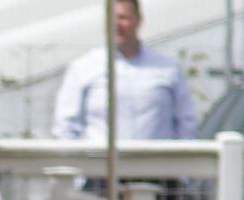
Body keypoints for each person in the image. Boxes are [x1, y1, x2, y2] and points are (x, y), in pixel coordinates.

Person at [53, 0, 198, 143]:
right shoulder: (84, 67)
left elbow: (186, 124)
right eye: (111, 18)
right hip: (99, 163)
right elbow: (65, 126)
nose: (116, 24)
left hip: (155, 164)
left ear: (138, 20)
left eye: (123, 18)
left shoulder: (167, 68)